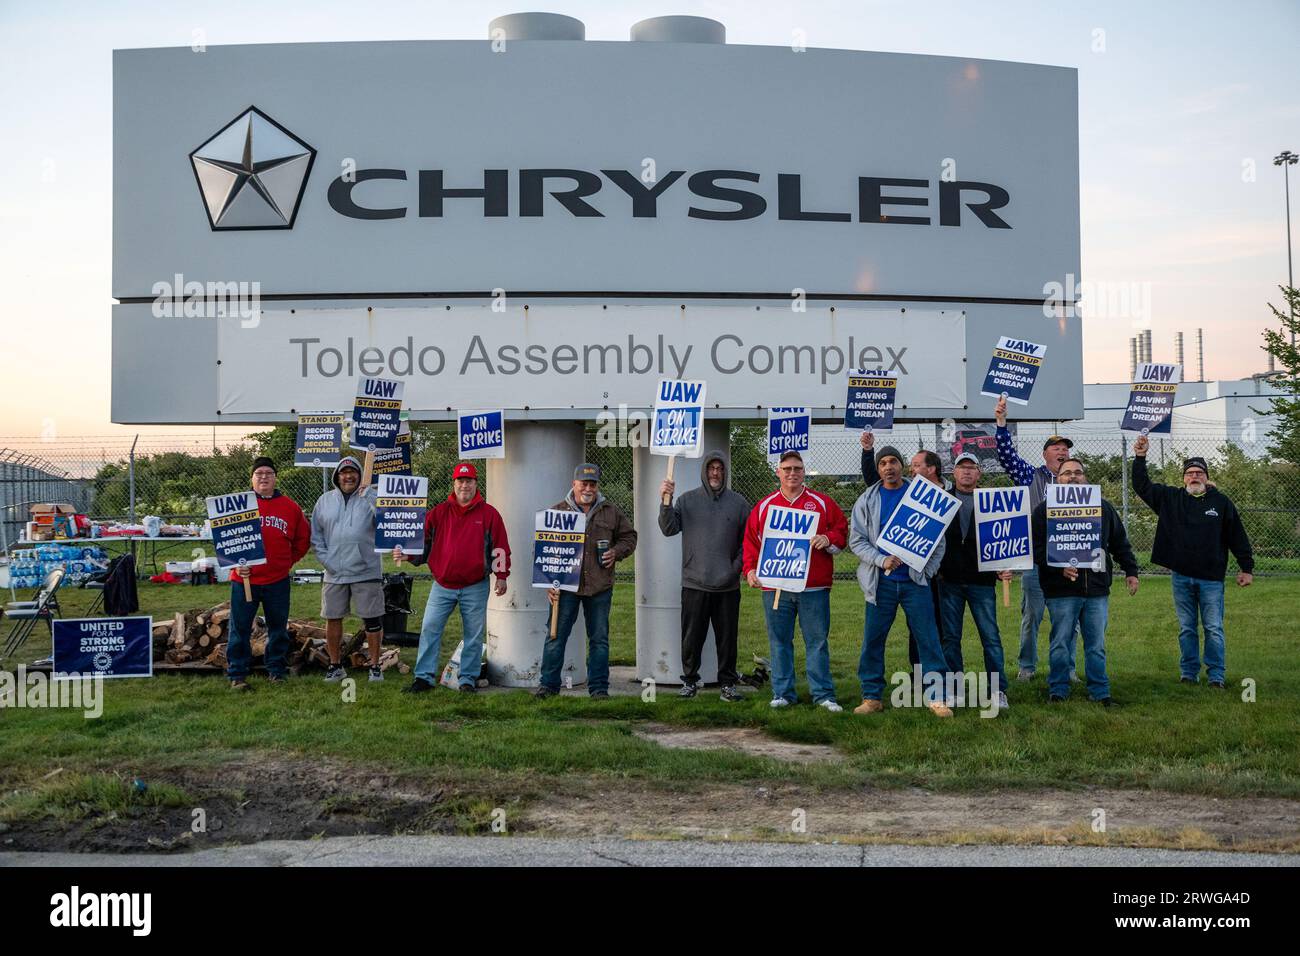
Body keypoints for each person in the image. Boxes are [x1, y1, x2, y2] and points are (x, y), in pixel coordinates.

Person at [1131, 437, 1254, 688]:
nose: (1194, 476)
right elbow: (1142, 485)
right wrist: (1141, 457)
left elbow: (1236, 535)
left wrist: (1246, 567)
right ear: (1183, 478)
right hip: (1181, 576)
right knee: (1187, 628)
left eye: (1199, 472)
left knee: (1213, 628)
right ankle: (1188, 673)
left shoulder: (1221, 503)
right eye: (1189, 473)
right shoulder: (1170, 498)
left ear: (1207, 477)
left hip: (1211, 578)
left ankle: (1216, 676)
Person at [849, 445, 953, 718]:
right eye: (882, 463)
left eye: (893, 461)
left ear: (902, 464)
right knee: (873, 639)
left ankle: (937, 697)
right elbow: (857, 541)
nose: (888, 467)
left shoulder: (920, 495)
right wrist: (880, 559)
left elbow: (938, 539)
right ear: (879, 467)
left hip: (914, 583)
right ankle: (871, 696)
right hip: (880, 583)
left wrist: (926, 570)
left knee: (928, 639)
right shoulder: (867, 499)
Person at [742, 450, 848, 711]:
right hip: (776, 586)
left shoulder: (822, 503)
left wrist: (828, 539)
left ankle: (823, 695)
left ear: (804, 472)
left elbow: (841, 531)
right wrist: (750, 571)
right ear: (778, 471)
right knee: (779, 641)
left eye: (797, 469)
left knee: (817, 641)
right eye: (787, 468)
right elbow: (751, 543)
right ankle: (783, 693)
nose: (792, 473)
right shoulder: (765, 506)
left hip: (813, 587)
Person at [1031, 457, 1139, 705]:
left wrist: (1131, 571)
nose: (1072, 477)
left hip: (1097, 588)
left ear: (1085, 478)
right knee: (1060, 642)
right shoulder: (1043, 511)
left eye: (1078, 472)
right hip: (1060, 589)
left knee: (1096, 644)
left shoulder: (1103, 508)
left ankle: (1100, 692)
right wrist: (1059, 569)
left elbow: (1120, 542)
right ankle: (1058, 690)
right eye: (1066, 473)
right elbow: (1037, 550)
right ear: (1057, 480)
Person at [397, 462, 510, 694]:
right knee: (430, 628)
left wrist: (501, 575)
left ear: (476, 484)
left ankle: (467, 679)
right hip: (443, 584)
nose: (464, 485)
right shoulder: (438, 513)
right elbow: (423, 544)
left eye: (469, 481)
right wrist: (406, 553)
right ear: (454, 483)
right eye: (460, 480)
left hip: (475, 585)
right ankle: (423, 678)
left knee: (474, 634)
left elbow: (500, 547)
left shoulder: (489, 514)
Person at [536, 463, 637, 699]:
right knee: (555, 636)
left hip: (600, 586)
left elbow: (630, 537)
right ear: (574, 484)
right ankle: (548, 686)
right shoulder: (557, 512)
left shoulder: (610, 511)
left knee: (599, 639)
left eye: (592, 484)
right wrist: (549, 583)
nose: (588, 488)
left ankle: (599, 689)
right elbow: (543, 551)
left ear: (597, 486)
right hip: (565, 588)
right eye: (584, 483)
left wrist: (616, 551)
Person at [994, 394, 1076, 681]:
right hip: (1036, 560)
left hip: (1068, 558)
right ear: (1046, 455)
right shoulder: (1030, 475)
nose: (1062, 451)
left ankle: (1067, 668)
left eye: (1065, 448)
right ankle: (1027, 667)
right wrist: (1002, 423)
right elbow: (1006, 456)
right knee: (1032, 616)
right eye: (1056, 448)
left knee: (1068, 618)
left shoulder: (1078, 482)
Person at [659, 450, 749, 701]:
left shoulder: (739, 503)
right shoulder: (687, 501)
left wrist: (735, 568)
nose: (716, 473)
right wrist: (666, 500)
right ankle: (689, 681)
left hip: (727, 586)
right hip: (694, 583)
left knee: (727, 639)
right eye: (712, 468)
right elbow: (668, 528)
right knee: (691, 638)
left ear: (725, 472)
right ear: (704, 471)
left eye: (720, 469)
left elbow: (749, 542)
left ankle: (728, 685)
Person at [227, 456, 311, 691]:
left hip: (277, 580)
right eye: (259, 473)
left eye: (268, 473)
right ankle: (237, 674)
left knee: (278, 628)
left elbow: (303, 540)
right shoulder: (238, 505)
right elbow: (224, 540)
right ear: (252, 478)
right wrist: (234, 564)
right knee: (240, 628)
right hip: (244, 580)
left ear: (275, 477)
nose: (263, 477)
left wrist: (287, 561)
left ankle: (276, 669)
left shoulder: (290, 507)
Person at [937, 452, 1011, 710]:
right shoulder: (942, 501)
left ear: (979, 473)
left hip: (982, 581)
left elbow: (1006, 540)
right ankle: (953, 689)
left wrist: (1004, 567)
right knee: (950, 638)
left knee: (990, 637)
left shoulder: (992, 502)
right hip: (949, 581)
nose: (967, 471)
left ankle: (998, 690)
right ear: (953, 473)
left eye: (972, 467)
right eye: (962, 467)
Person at [311, 455, 385, 683]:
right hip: (334, 572)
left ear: (360, 475)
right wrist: (328, 562)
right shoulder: (324, 501)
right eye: (344, 472)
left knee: (372, 620)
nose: (348, 476)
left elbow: (388, 523)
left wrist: (372, 496)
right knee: (332, 618)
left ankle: (375, 666)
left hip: (367, 570)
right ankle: (335, 665)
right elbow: (316, 537)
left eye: (353, 472)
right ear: (337, 476)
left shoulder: (371, 497)